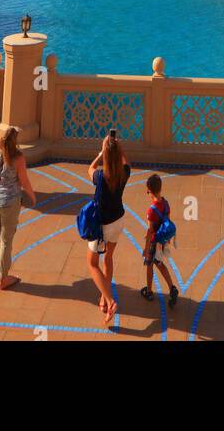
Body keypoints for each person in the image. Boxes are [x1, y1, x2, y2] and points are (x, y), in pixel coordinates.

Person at [86, 132, 131, 325]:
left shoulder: (100, 177)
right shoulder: (125, 173)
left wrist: (101, 153)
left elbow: (90, 168)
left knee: (92, 263)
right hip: (118, 221)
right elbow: (126, 162)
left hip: (101, 225)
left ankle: (110, 300)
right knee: (108, 258)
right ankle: (104, 298)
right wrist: (116, 148)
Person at [0, 126, 36, 289]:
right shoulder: (18, 158)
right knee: (6, 241)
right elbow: (24, 181)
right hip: (9, 203)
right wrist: (32, 197)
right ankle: (4, 278)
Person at [140, 174, 179, 306]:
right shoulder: (166, 203)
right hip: (162, 240)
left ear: (149, 190)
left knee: (150, 265)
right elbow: (166, 220)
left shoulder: (151, 210)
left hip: (154, 241)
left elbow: (150, 230)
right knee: (160, 263)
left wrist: (146, 248)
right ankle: (172, 287)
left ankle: (149, 291)